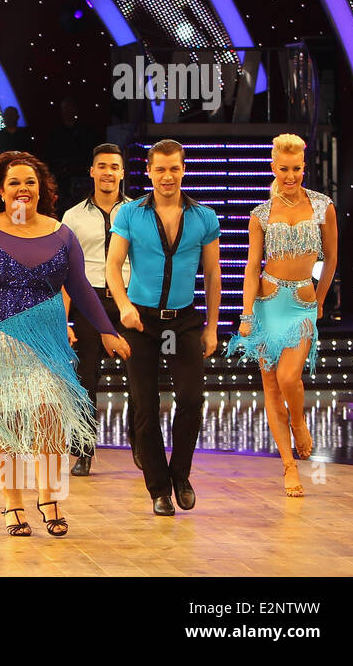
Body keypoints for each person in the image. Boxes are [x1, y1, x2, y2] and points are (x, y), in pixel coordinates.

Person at [0, 152, 130, 537]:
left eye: (29, 182)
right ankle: (12, 504)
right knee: (8, 423)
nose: (22, 189)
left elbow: (80, 288)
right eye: (14, 182)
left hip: (47, 341)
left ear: (41, 189)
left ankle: (49, 497)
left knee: (50, 418)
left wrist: (106, 330)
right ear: (0, 191)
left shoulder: (61, 233)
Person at [106, 139, 221, 517]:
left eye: (174, 168)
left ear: (183, 169)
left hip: (183, 322)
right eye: (160, 169)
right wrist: (123, 307)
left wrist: (213, 327)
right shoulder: (130, 214)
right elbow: (113, 266)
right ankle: (158, 489)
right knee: (145, 405)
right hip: (142, 322)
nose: (167, 176)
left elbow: (213, 275)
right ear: (149, 171)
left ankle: (181, 475)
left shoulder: (204, 217)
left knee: (191, 399)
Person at [227, 134, 337, 497]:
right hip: (267, 304)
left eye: (297, 169)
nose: (291, 176)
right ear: (273, 167)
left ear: (304, 167)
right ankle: (289, 466)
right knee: (271, 386)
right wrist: (245, 313)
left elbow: (332, 258)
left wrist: (320, 299)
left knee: (291, 376)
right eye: (284, 169)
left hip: (302, 303)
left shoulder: (323, 207)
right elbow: (251, 266)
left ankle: (300, 422)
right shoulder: (261, 215)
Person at [60, 144, 132, 476]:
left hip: (129, 302)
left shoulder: (137, 212)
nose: (107, 172)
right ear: (92, 172)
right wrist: (63, 320)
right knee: (86, 379)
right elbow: (64, 272)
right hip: (88, 303)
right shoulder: (72, 217)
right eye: (101, 166)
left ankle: (142, 448)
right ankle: (84, 450)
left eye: (113, 166)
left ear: (121, 172)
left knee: (139, 379)